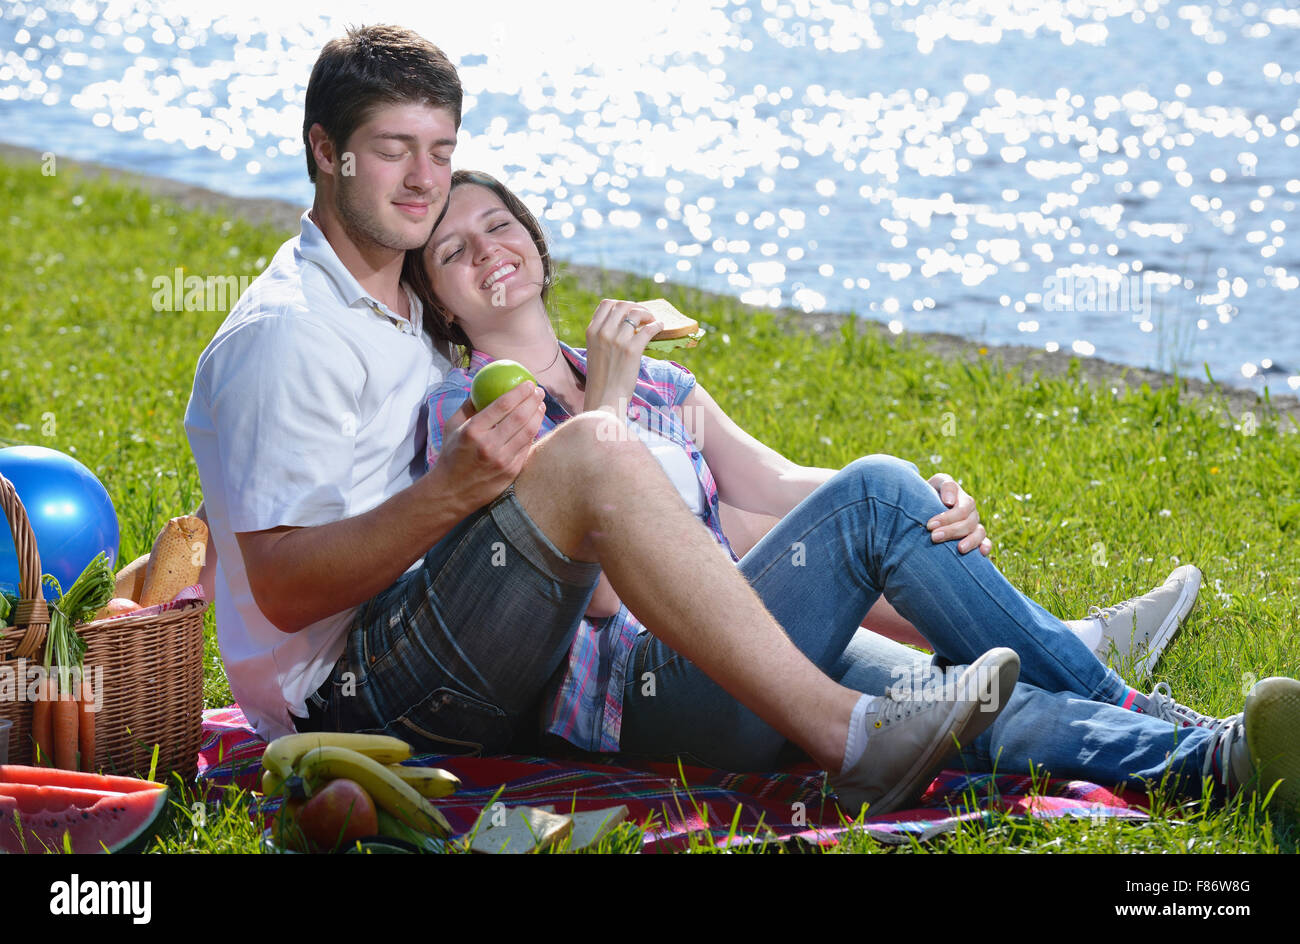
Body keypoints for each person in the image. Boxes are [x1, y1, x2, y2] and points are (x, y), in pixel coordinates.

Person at [183, 23, 1024, 819]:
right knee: (595, 451)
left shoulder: (405, 300)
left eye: (439, 151)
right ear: (326, 152)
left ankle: (1093, 691)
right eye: (392, 151)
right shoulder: (289, 333)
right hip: (358, 698)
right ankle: (847, 735)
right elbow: (286, 592)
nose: (422, 180)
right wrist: (452, 491)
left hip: (468, 637)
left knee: (854, 550)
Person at [415, 168, 1300, 816]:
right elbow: (600, 593)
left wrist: (929, 502)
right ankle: (1149, 705)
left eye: (500, 225)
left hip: (754, 645)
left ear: (534, 241)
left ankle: (1215, 759)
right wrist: (602, 398)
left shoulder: (661, 386)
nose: (488, 251)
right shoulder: (469, 413)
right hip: (649, 698)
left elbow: (786, 483)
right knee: (876, 496)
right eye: (455, 249)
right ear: (442, 303)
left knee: (967, 702)